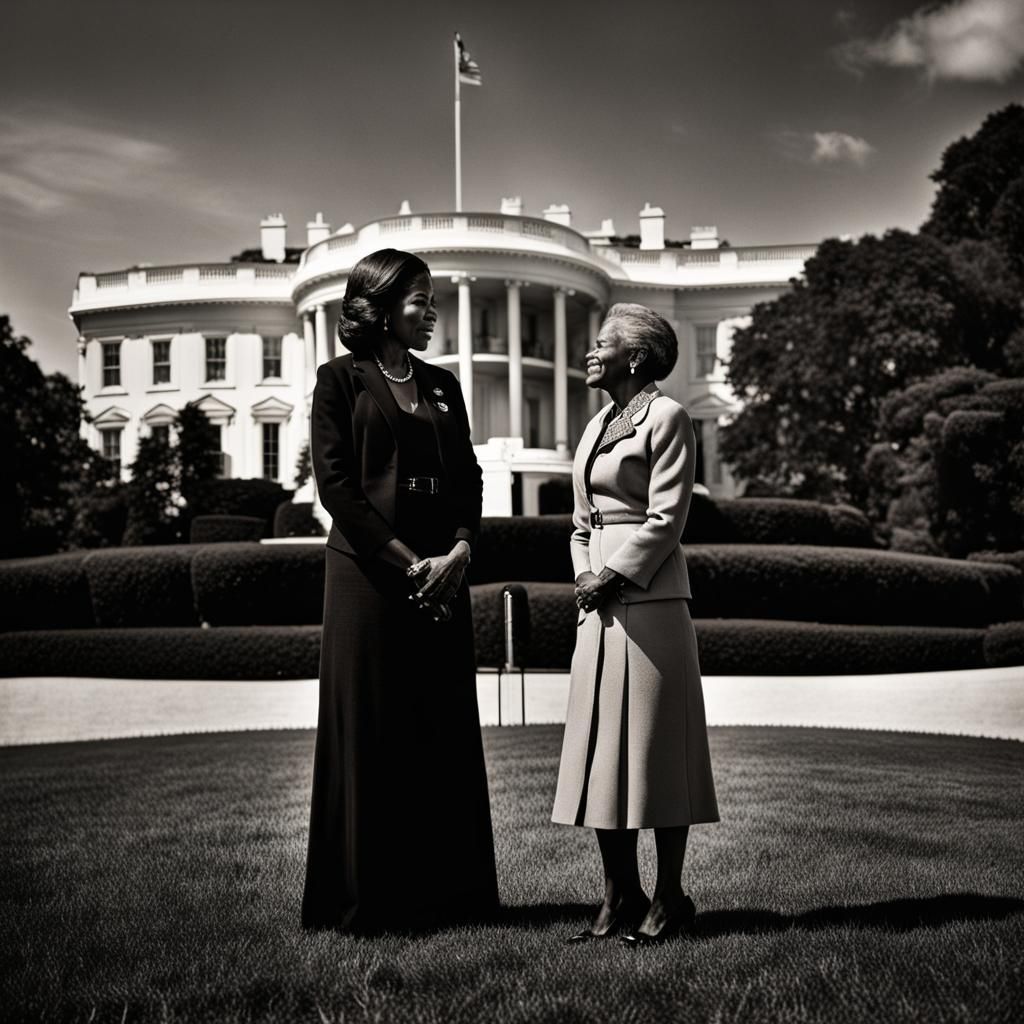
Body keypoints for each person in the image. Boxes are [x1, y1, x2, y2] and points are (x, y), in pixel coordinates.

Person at [302, 248, 499, 932]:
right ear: (381, 307)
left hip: (443, 573)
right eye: (421, 302)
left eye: (435, 301)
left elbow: (470, 480)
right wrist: (412, 564)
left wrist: (461, 550)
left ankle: (453, 897)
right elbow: (338, 491)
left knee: (439, 729)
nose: (432, 314)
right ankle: (368, 901)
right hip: (367, 578)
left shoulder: (444, 384)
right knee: (375, 733)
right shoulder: (339, 382)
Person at [551, 302, 719, 945]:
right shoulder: (594, 425)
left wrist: (611, 576)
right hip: (597, 607)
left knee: (657, 752)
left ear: (637, 357)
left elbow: (667, 519)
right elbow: (579, 522)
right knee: (603, 752)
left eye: (602, 344)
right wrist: (583, 577)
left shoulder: (669, 417)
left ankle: (671, 897)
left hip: (650, 604)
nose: (591, 353)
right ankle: (621, 894)